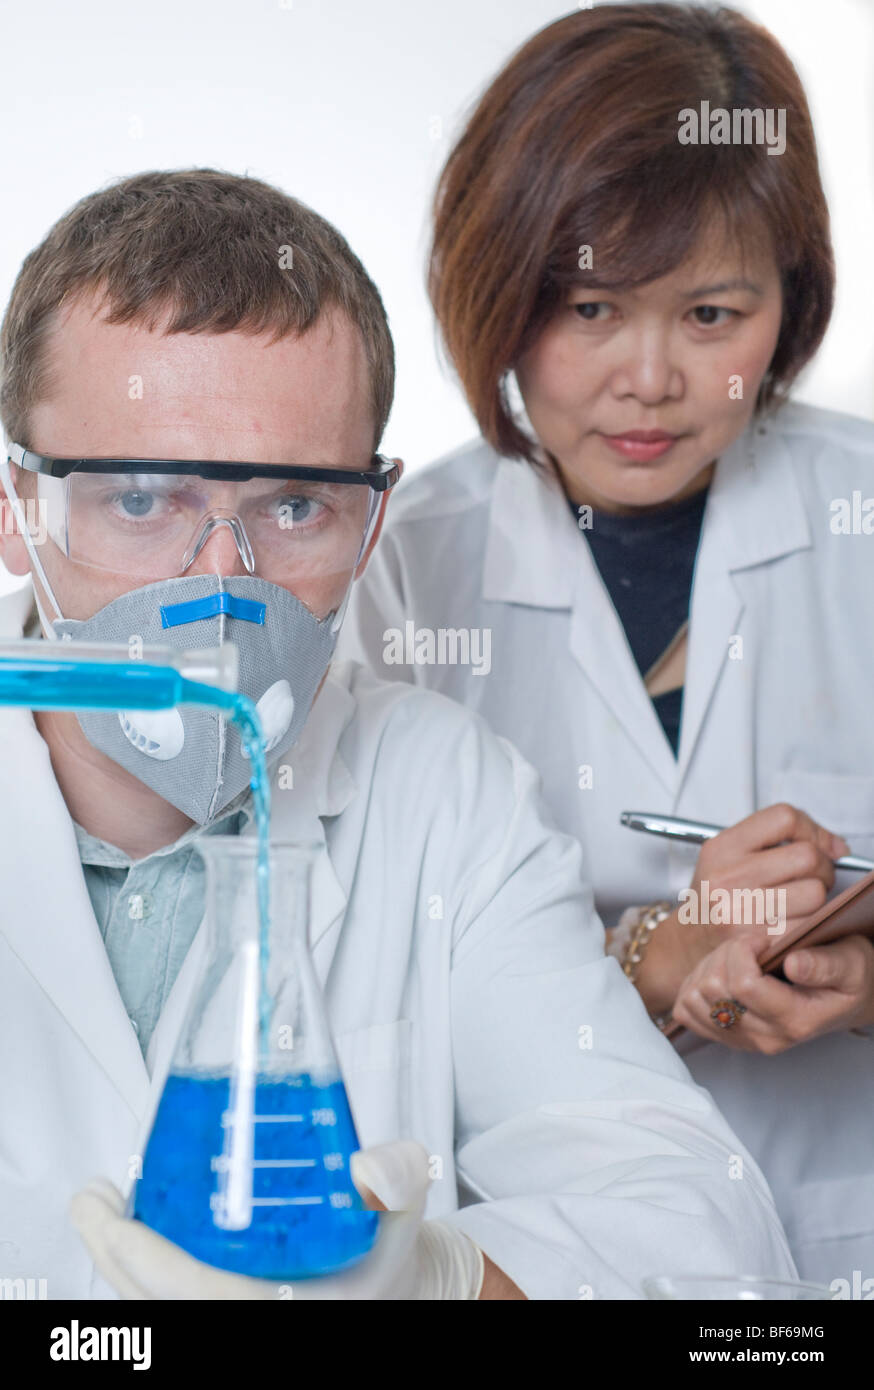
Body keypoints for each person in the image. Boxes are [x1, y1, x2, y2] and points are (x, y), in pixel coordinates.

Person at [0, 168, 797, 1301]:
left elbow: (701, 1229)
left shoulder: (444, 791)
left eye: (293, 508)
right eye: (142, 500)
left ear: (371, 516)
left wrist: (433, 1282)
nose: (223, 585)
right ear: (15, 509)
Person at [336, 4, 874, 1285]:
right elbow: (352, 997)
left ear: (788, 306)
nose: (648, 378)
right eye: (589, 307)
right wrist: (645, 959)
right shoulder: (394, 563)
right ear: (498, 291)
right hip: (552, 1267)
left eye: (710, 314)